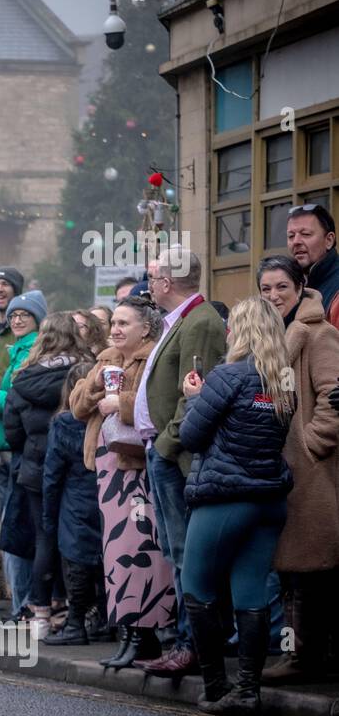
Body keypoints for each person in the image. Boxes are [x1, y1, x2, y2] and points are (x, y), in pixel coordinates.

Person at [180, 297, 295, 716]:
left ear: (238, 331)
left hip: (225, 500)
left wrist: (194, 395)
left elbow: (191, 437)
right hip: (269, 502)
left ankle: (214, 685)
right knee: (250, 591)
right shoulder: (284, 381)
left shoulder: (227, 377)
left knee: (196, 586)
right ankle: (247, 690)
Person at [131, 246, 228, 678]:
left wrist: (168, 444)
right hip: (163, 453)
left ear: (167, 282)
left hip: (177, 455)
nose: (150, 285)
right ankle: (187, 641)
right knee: (176, 551)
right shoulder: (181, 320)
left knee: (188, 554)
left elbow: (198, 392)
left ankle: (194, 646)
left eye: (153, 277)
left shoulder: (201, 321)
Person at [70, 296, 176, 668]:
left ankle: (149, 634)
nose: (114, 329)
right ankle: (130, 633)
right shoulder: (105, 360)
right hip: (107, 469)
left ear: (145, 328)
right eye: (113, 323)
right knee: (115, 555)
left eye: (124, 324)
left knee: (142, 552)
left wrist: (123, 402)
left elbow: (163, 405)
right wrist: (98, 385)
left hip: (137, 468)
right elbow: (77, 407)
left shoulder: (155, 357)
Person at [256, 255, 339, 684]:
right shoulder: (269, 336)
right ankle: (303, 655)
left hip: (311, 471)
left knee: (312, 566)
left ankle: (306, 659)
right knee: (291, 567)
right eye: (265, 289)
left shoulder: (319, 334)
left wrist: (313, 443)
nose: (273, 296)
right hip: (277, 471)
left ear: (300, 286)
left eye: (281, 287)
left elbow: (334, 395)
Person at [2, 312, 93, 635]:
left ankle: (39, 611)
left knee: (44, 538)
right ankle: (71, 607)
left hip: (35, 467)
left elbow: (11, 431)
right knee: (75, 537)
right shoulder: (86, 372)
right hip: (80, 467)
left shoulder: (25, 377)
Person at [0, 289, 46, 622]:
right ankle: (21, 604)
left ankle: (24, 605)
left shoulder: (30, 352)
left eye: (24, 314)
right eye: (13, 315)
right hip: (11, 448)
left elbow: (14, 401)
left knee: (18, 531)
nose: (17, 319)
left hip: (23, 450)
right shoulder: (18, 350)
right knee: (15, 530)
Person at [41, 361, 105, 645]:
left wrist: (48, 516)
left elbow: (52, 475)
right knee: (107, 560)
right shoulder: (108, 417)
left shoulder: (65, 422)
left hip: (75, 499)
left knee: (77, 561)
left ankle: (76, 623)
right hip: (107, 495)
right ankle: (105, 620)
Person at [285, 203, 338, 325]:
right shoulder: (288, 286)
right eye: (291, 236)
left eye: (306, 234)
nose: (296, 242)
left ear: (329, 240)